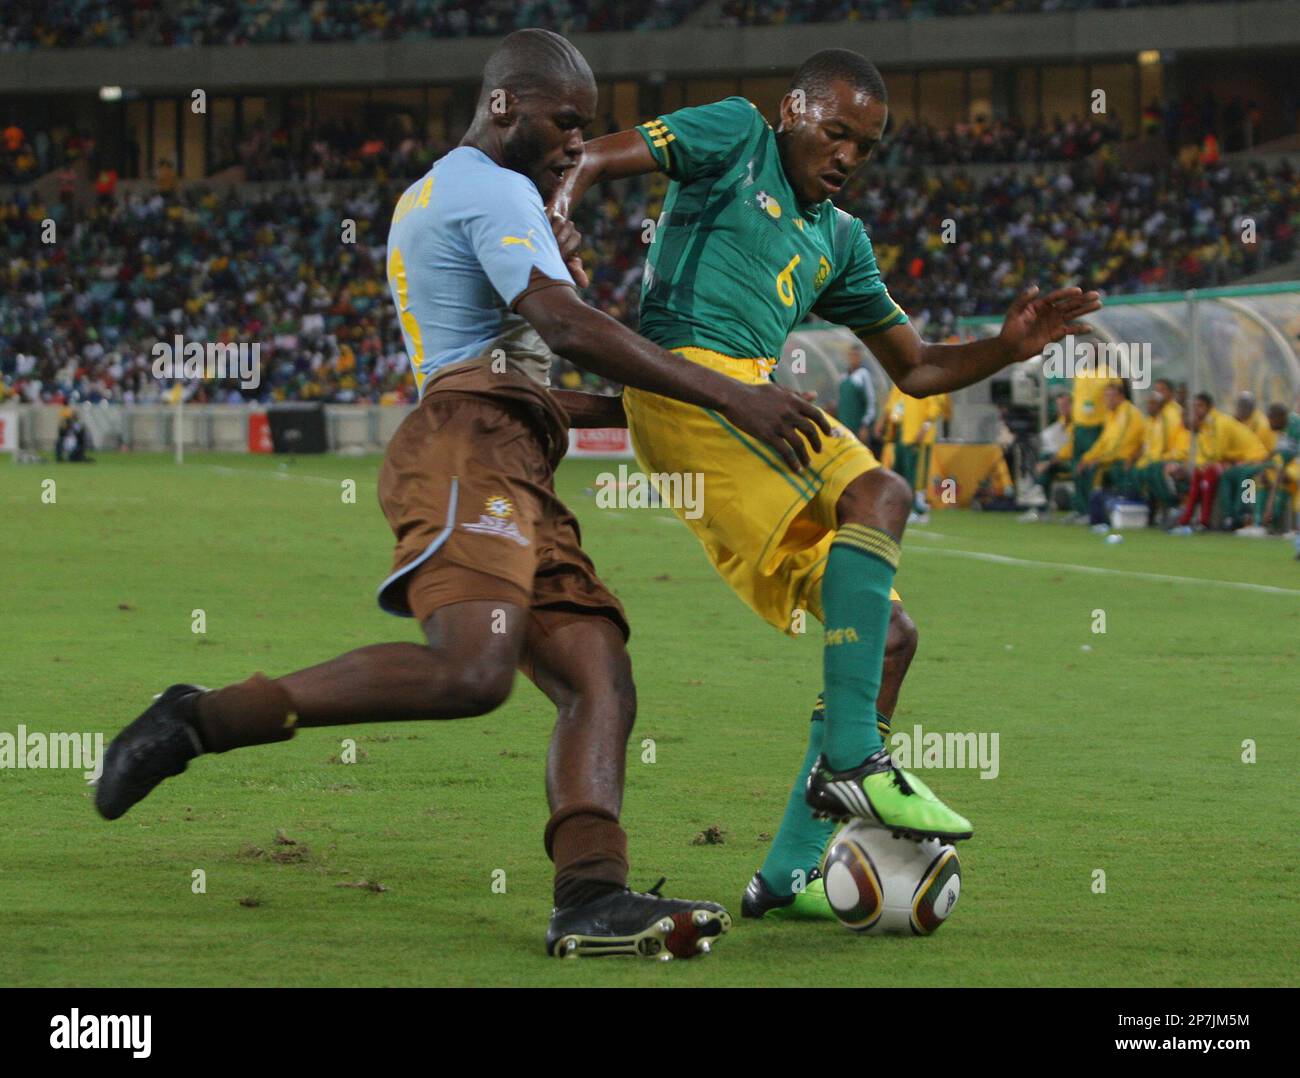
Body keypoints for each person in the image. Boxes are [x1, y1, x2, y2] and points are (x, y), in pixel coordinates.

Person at [95, 29, 834, 961]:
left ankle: (591, 896)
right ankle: (200, 717)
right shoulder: (484, 188)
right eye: (566, 123)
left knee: (596, 670)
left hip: (516, 448)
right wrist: (728, 390)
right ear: (503, 106)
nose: (578, 143)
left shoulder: (485, 194)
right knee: (471, 672)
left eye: (588, 129)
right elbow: (561, 328)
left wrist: (674, 411)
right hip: (468, 449)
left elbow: (537, 379)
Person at [551, 49, 1099, 919]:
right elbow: (590, 156)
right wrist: (557, 212)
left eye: (866, 147)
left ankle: (787, 873)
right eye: (835, 131)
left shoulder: (840, 238)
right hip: (688, 387)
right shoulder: (734, 133)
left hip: (757, 399)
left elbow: (915, 369)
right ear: (792, 111)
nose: (846, 155)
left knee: (890, 636)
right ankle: (854, 761)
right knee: (883, 494)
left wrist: (1007, 346)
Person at [1171, 393, 1268, 533]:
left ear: (1210, 407)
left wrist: (1209, 463)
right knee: (1202, 473)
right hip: (1239, 460)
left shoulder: (1219, 422)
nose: (1196, 410)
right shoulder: (1205, 425)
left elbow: (1217, 453)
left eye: (1200, 406)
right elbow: (1205, 455)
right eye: (1194, 407)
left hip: (1254, 459)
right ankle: (1189, 520)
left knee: (1219, 475)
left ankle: (1238, 519)